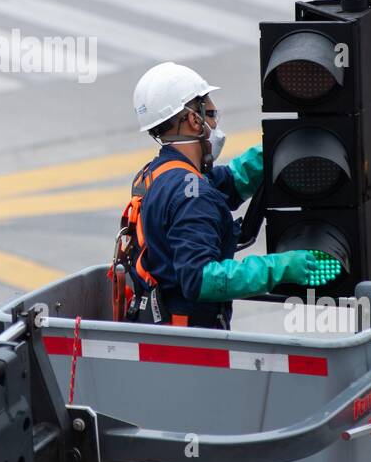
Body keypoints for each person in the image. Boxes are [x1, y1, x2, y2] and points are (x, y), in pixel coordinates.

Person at [121, 62, 339, 329]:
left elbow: (228, 182)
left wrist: (279, 145)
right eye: (211, 114)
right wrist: (280, 267)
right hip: (190, 344)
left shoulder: (156, 175)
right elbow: (201, 278)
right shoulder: (192, 195)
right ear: (193, 119)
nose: (215, 124)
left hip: (159, 330)